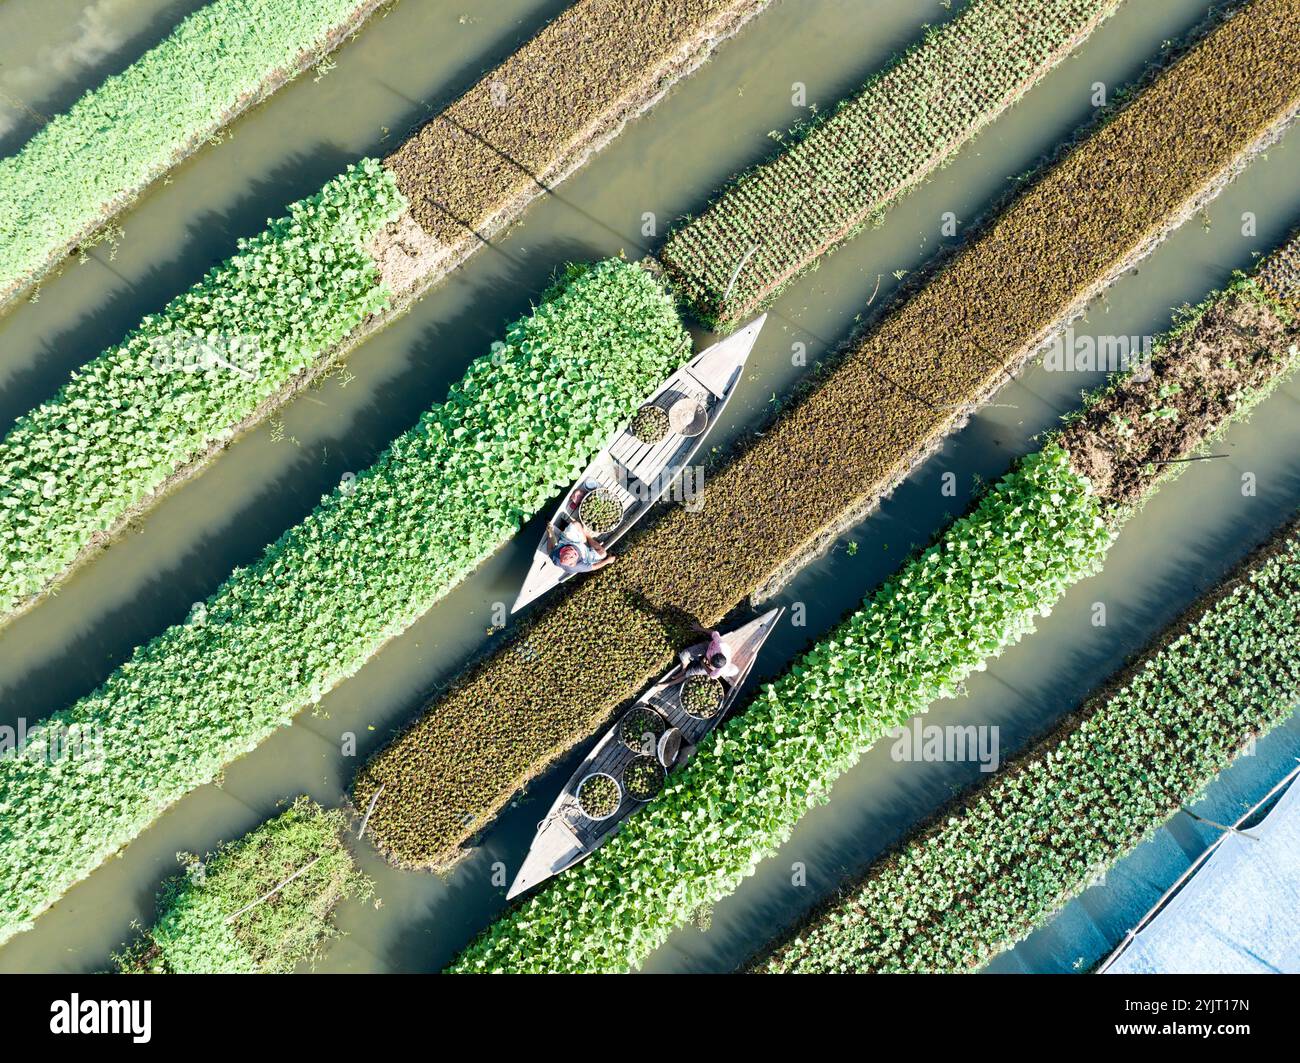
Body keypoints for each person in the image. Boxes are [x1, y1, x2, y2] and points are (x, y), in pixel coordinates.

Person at [665, 626, 739, 686]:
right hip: (708, 647)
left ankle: (667, 684)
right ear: (717, 653)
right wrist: (699, 628)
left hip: (708, 664)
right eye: (710, 660)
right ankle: (683, 669)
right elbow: (714, 632)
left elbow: (711, 675)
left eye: (710, 662)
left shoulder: (719, 671)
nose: (708, 661)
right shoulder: (720, 645)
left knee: (691, 672)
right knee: (684, 654)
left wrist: (703, 664)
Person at [546, 519, 614, 574]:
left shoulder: (554, 555)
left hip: (567, 541)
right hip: (584, 555)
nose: (570, 548)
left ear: (562, 551)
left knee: (576, 524)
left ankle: (586, 537)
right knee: (603, 553)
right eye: (572, 549)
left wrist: (549, 532)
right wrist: (607, 561)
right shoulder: (578, 566)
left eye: (568, 548)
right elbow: (595, 567)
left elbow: (549, 549)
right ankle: (586, 537)